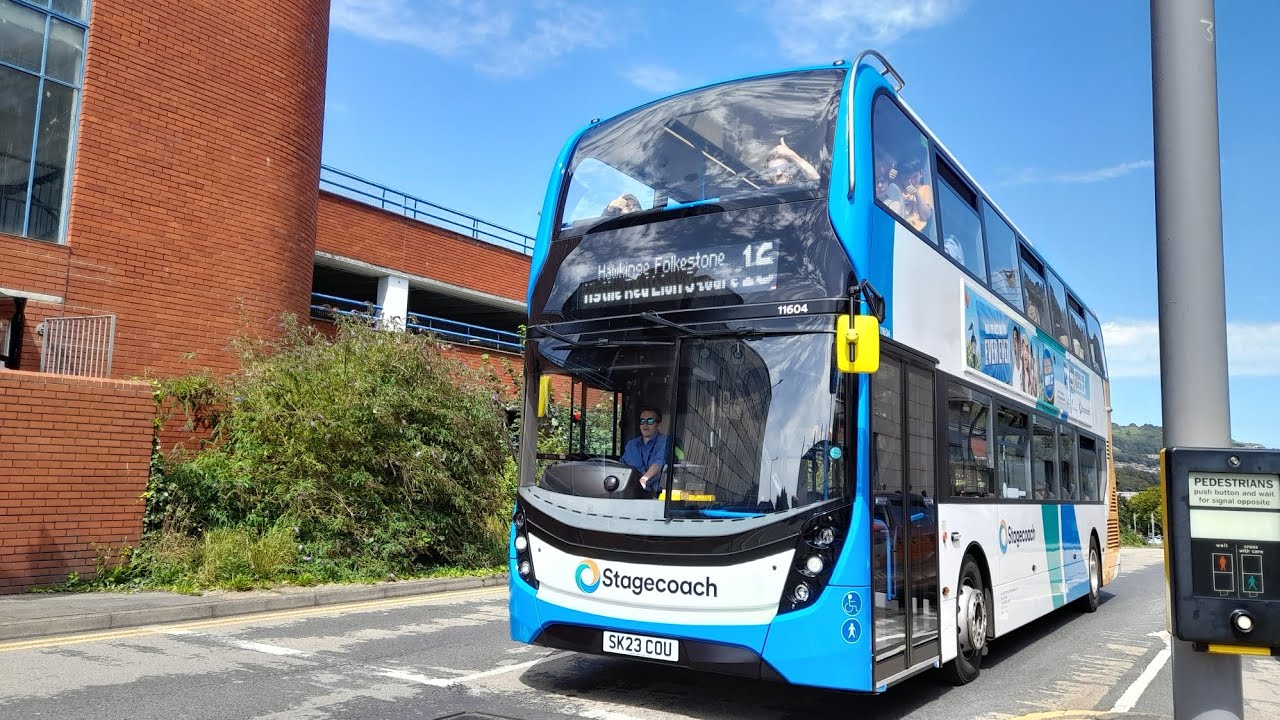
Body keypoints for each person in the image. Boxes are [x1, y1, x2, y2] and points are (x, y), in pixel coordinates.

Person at [620, 408, 670, 495]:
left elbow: (659, 462)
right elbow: (621, 467)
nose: (645, 424)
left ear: (659, 425)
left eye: (650, 421)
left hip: (658, 496)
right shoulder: (631, 445)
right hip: (631, 494)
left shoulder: (665, 441)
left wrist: (644, 479)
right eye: (642, 421)